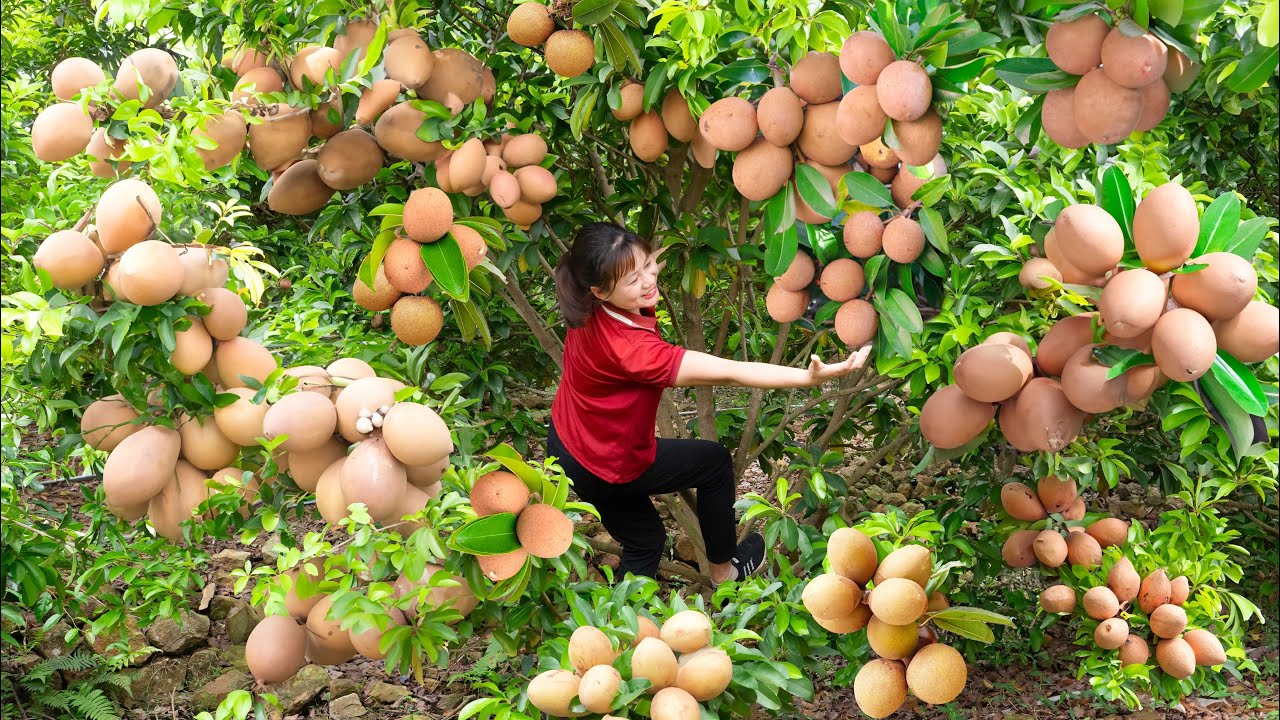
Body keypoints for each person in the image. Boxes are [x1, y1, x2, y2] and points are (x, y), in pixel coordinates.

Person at [548, 222, 873, 585]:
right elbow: (730, 373)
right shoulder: (633, 351)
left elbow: (633, 268)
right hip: (606, 463)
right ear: (600, 291)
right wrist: (808, 378)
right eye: (632, 279)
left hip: (567, 440)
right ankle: (723, 570)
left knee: (645, 541)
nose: (647, 280)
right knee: (713, 463)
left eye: (646, 264)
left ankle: (606, 634)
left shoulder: (585, 303)